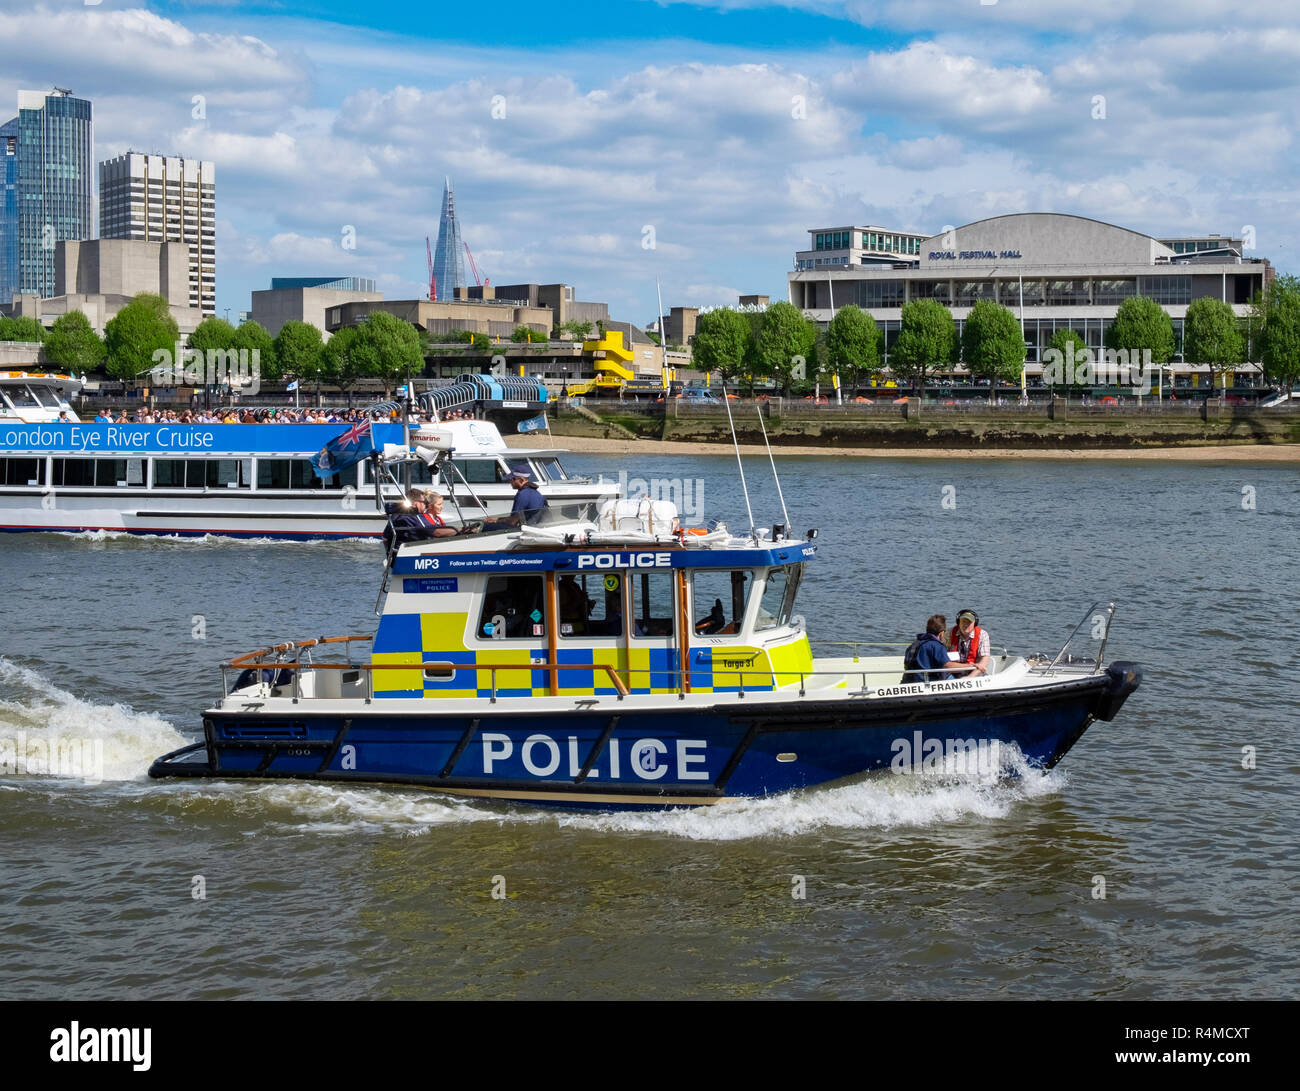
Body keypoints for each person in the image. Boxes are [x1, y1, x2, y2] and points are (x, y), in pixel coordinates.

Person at [902, 615, 951, 684]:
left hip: (907, 682)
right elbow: (947, 665)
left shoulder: (914, 644)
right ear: (941, 634)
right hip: (926, 684)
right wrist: (968, 666)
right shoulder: (937, 646)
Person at [947, 609, 991, 676]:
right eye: (963, 621)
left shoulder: (983, 635)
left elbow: (985, 660)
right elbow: (942, 658)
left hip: (974, 672)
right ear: (958, 622)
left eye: (969, 622)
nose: (966, 625)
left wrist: (970, 677)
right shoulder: (949, 633)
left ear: (974, 623)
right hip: (952, 671)